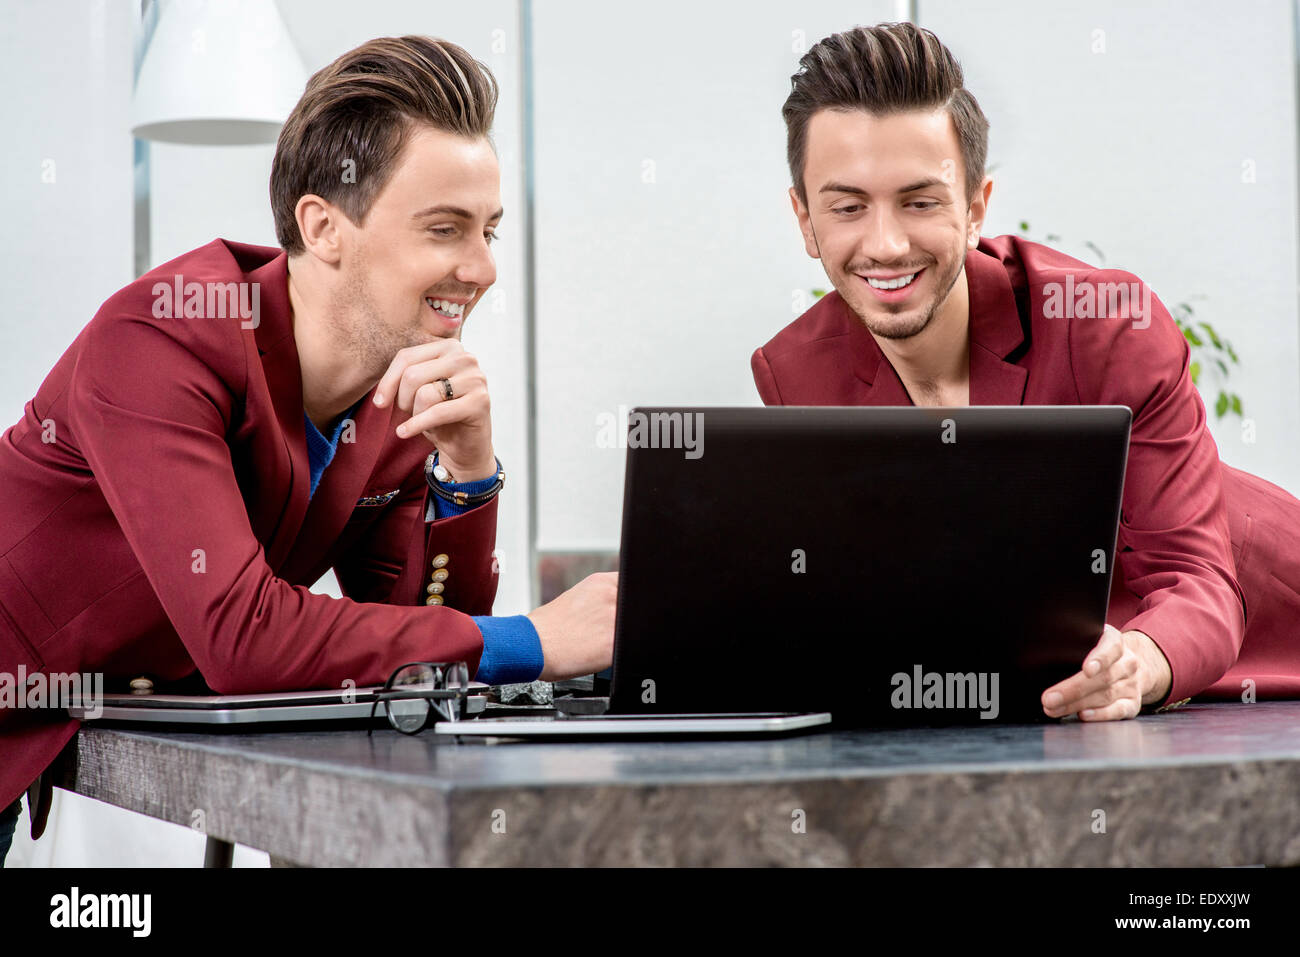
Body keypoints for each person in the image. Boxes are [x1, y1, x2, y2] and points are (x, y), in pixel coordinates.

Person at [0, 36, 616, 865]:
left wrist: (467, 475)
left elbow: (423, 643)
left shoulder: (392, 395)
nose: (481, 268)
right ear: (322, 226)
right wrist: (534, 638)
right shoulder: (160, 338)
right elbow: (243, 635)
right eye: (445, 229)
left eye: (489, 232)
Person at [752, 22, 1300, 723]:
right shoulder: (795, 372)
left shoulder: (1108, 324)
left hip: (1266, 636)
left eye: (920, 202)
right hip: (1058, 689)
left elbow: (1197, 581)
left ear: (976, 206)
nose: (885, 244)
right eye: (847, 206)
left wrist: (1140, 662)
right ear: (804, 219)